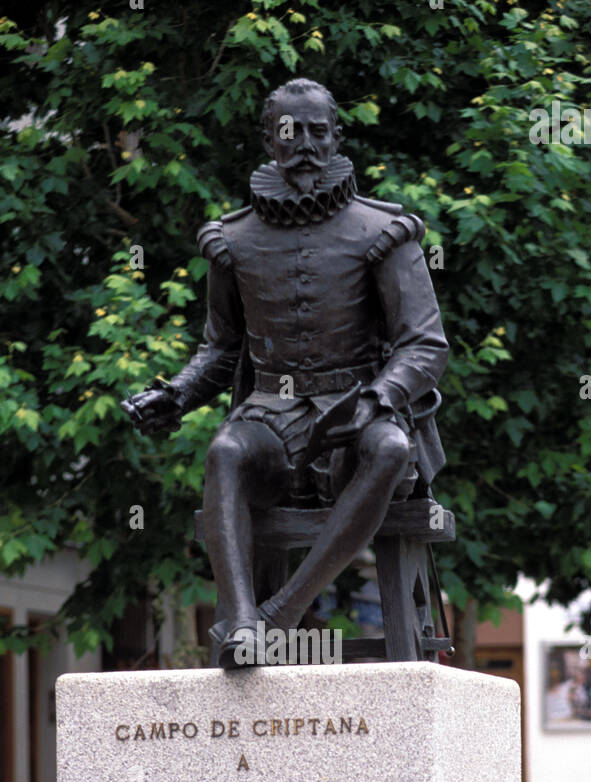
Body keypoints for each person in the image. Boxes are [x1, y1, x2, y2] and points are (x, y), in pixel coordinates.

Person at [122, 77, 449, 668]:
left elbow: (424, 346)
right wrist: (175, 394)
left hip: (354, 412)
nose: (304, 144)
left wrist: (378, 398)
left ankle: (283, 612)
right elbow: (220, 349)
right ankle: (242, 621)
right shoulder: (232, 240)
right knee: (223, 452)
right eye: (289, 132)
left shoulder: (384, 232)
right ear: (269, 140)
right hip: (269, 415)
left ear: (336, 138)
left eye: (317, 132)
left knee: (391, 447)